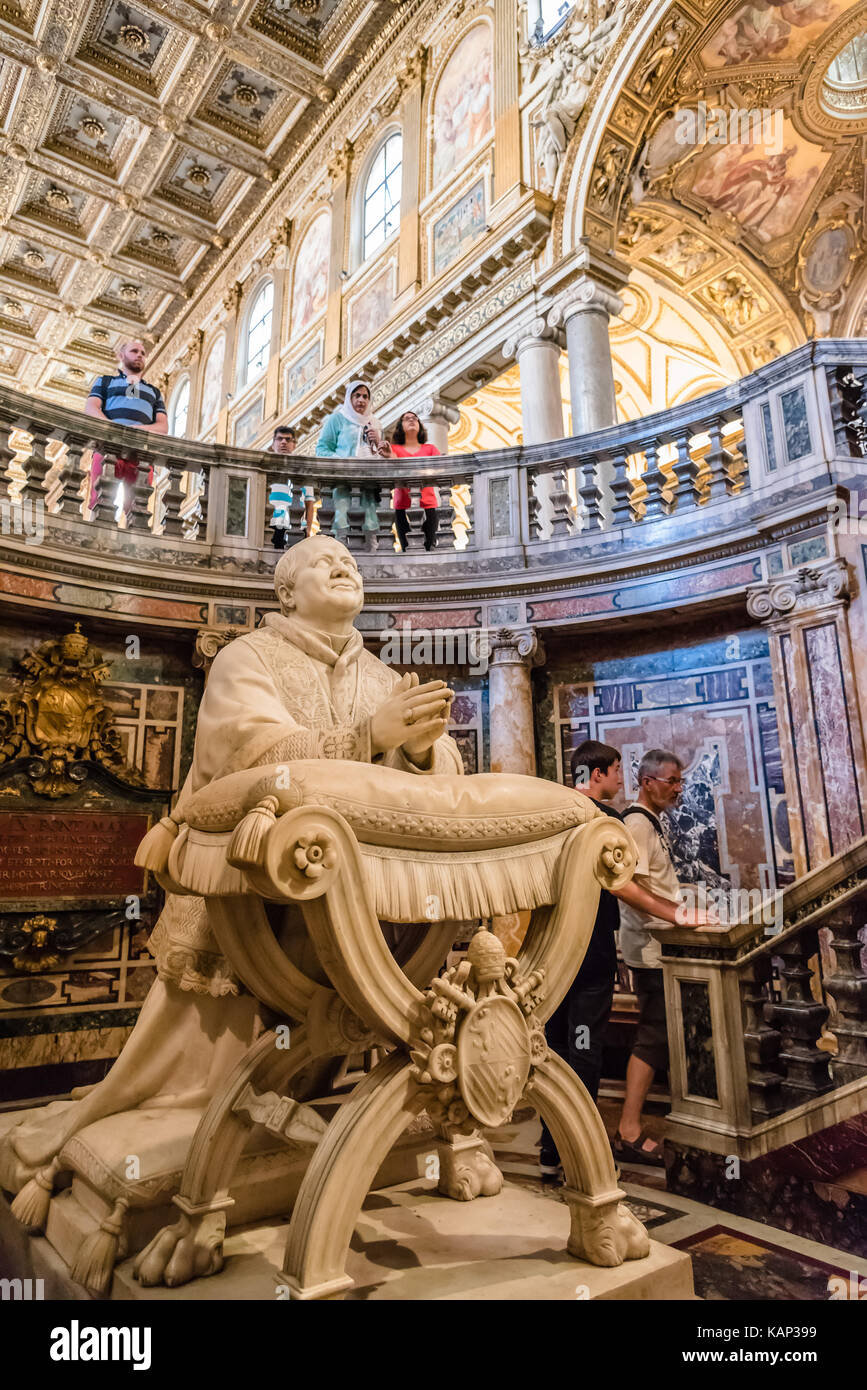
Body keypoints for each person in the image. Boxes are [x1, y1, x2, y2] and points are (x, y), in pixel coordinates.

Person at [2, 535, 461, 1180]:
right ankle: (228, 1109)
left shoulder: (381, 676)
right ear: (285, 592)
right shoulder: (248, 657)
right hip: (253, 893)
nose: (344, 568)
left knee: (322, 1027)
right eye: (324, 564)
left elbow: (442, 773)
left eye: (351, 563)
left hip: (348, 895)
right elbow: (243, 751)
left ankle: (300, 1104)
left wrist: (418, 749)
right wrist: (367, 736)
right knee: (214, 1056)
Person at [537, 740, 716, 1178]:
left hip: (549, 953)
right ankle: (582, 1153)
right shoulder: (606, 820)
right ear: (596, 774)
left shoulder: (552, 813)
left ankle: (552, 1150)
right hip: (588, 952)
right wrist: (677, 913)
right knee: (584, 1052)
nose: (621, 779)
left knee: (555, 1051)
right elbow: (619, 884)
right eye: (616, 770)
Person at [614, 748, 718, 1167]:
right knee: (654, 1034)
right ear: (647, 782)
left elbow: (655, 881)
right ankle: (628, 1130)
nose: (679, 788)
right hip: (650, 950)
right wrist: (677, 913)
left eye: (680, 780)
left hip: (661, 947)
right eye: (672, 781)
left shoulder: (652, 823)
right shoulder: (637, 823)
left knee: (664, 1033)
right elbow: (626, 886)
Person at [85, 340, 168, 514]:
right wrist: (114, 429)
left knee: (138, 505)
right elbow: (91, 408)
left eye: (143, 353)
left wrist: (136, 431)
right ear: (121, 355)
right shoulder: (105, 382)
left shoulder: (154, 392)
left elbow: (162, 426)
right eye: (134, 351)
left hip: (141, 453)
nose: (140, 355)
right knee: (99, 498)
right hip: (107, 447)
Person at [315, 379, 385, 539]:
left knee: (371, 532)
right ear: (349, 398)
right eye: (357, 395)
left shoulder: (376, 423)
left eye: (365, 396)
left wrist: (378, 441)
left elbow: (383, 456)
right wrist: (343, 461)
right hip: (343, 486)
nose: (361, 400)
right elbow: (322, 449)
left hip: (369, 488)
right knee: (343, 531)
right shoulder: (337, 419)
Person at [388, 411, 440, 552]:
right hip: (402, 505)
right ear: (400, 426)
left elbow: (439, 468)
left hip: (428, 504)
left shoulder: (430, 449)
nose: (412, 420)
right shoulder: (394, 449)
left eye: (415, 419)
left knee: (429, 546)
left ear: (420, 425)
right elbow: (392, 466)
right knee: (406, 548)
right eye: (407, 419)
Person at [266, 425, 317, 547]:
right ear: (273, 444)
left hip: (296, 524)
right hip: (273, 523)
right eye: (279, 439)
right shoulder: (266, 469)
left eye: (288, 439)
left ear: (294, 444)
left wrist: (308, 530)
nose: (283, 442)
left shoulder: (302, 471)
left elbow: (309, 504)